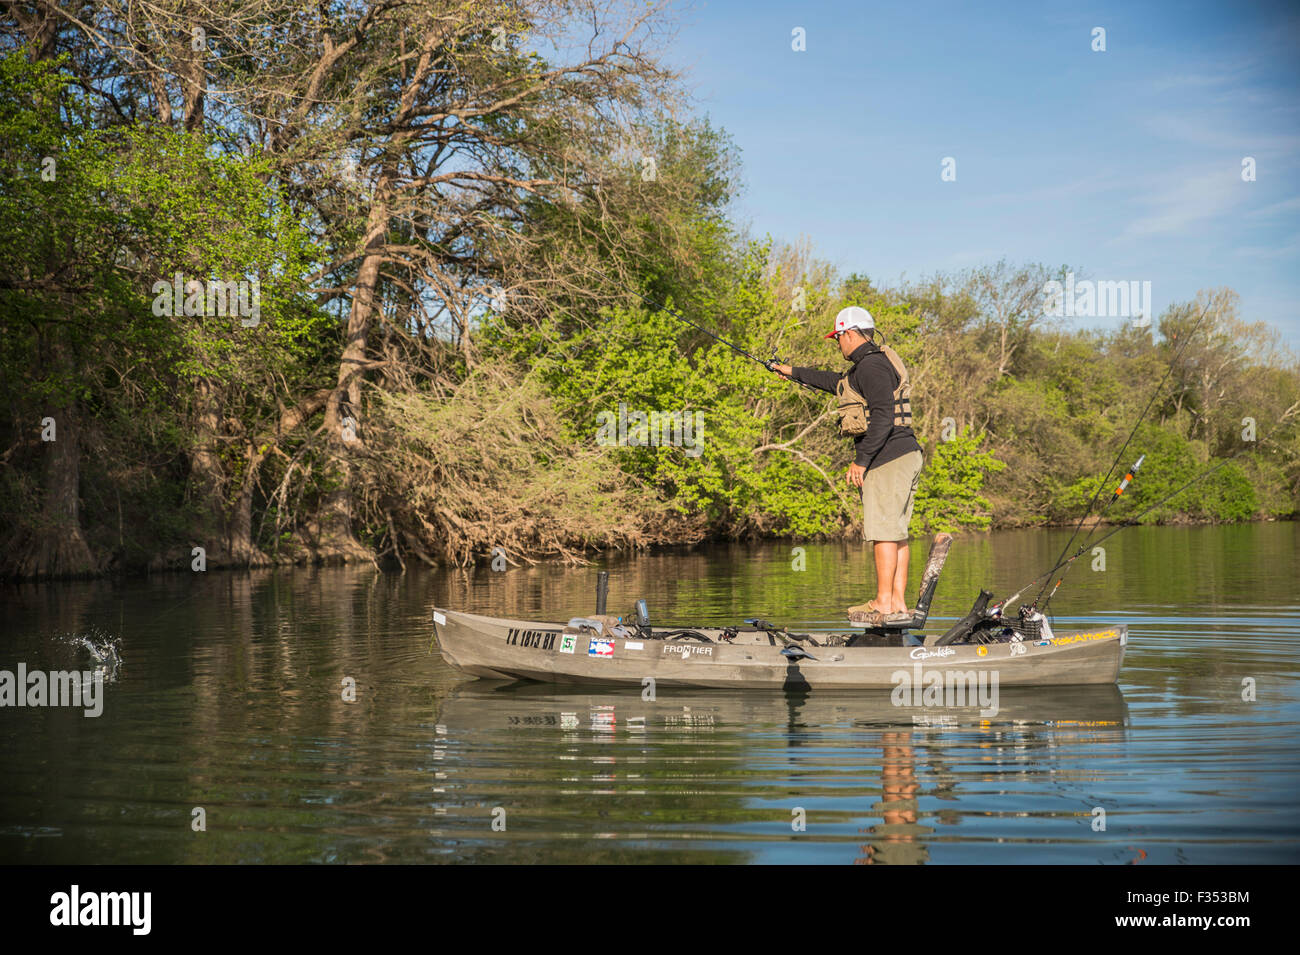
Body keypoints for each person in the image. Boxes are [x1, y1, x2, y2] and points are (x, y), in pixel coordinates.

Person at [771, 306, 924, 621]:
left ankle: (883, 603)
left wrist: (861, 461)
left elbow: (883, 414)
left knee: (883, 531)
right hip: (904, 454)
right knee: (896, 532)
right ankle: (896, 604)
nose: (837, 343)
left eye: (837, 337)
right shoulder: (870, 365)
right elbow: (835, 383)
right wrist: (789, 371)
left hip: (888, 458)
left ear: (849, 334)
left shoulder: (871, 367)